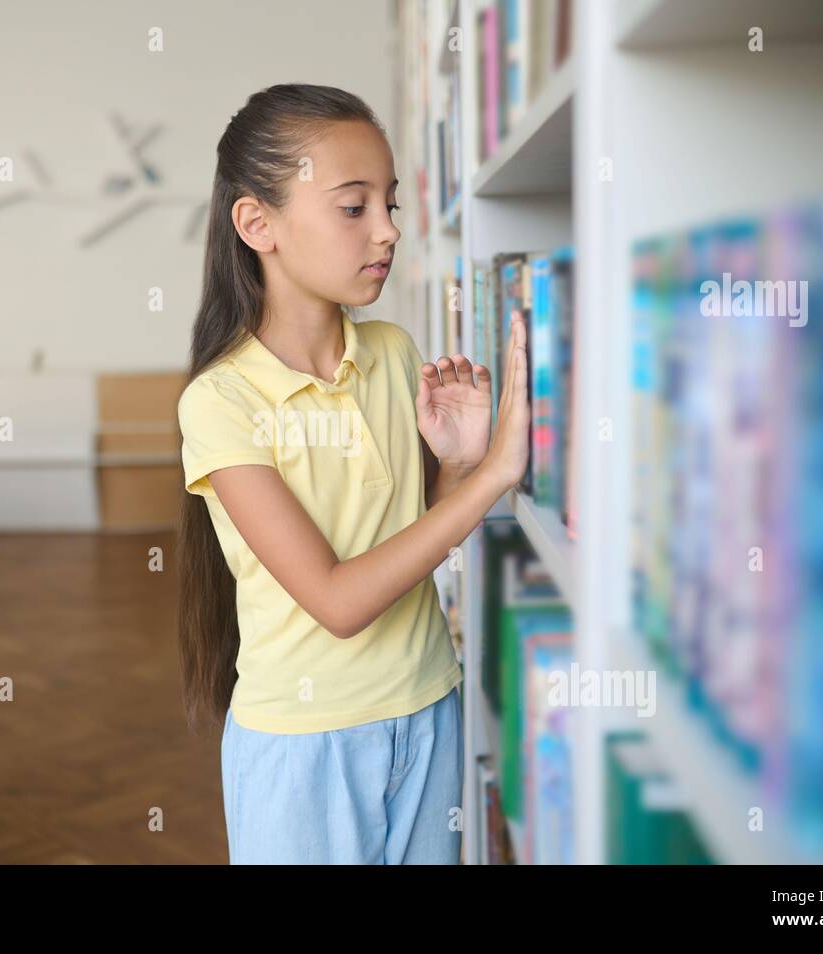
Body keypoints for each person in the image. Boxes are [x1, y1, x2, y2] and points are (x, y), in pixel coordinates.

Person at [176, 84, 531, 864]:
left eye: (392, 203)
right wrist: (491, 476)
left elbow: (403, 547)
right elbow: (338, 602)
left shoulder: (396, 354)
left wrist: (457, 465)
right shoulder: (221, 402)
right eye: (353, 207)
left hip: (430, 706)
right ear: (256, 223)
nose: (389, 230)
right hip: (305, 747)